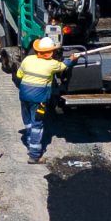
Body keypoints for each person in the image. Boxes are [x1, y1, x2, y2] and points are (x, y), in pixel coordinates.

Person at [14, 33, 66, 162]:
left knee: (28, 122)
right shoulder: (52, 64)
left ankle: (28, 141)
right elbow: (64, 66)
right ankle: (34, 155)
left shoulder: (27, 60)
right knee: (37, 125)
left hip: (24, 97)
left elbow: (19, 75)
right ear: (50, 53)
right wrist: (72, 58)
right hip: (39, 100)